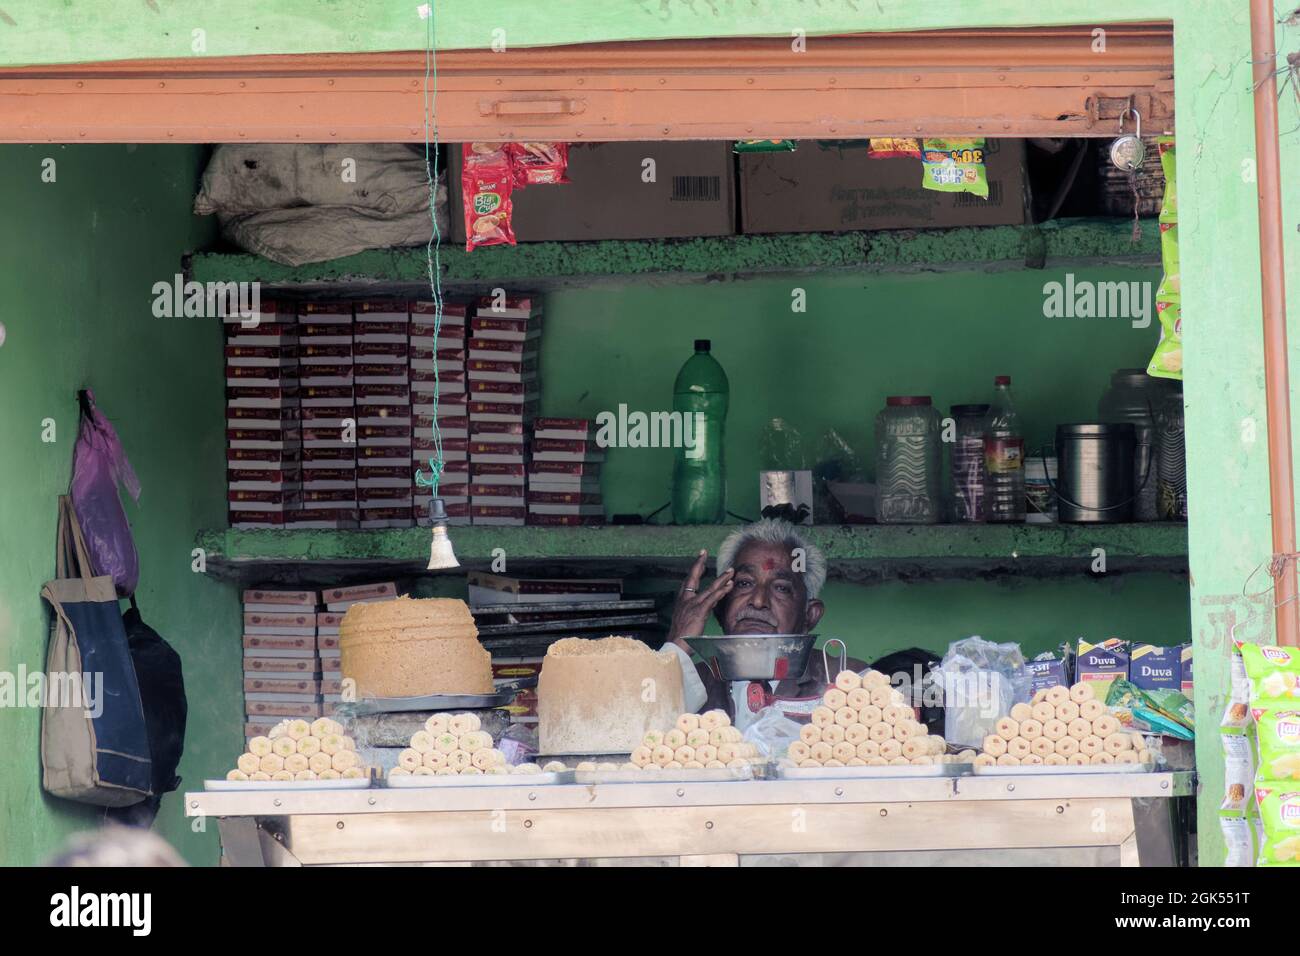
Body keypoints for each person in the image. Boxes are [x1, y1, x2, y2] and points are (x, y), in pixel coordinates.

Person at [664, 519, 867, 730]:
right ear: (719, 606)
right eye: (744, 583)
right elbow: (638, 737)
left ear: (810, 615)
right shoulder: (689, 682)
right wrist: (676, 646)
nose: (759, 601)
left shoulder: (848, 681)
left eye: (781, 588)